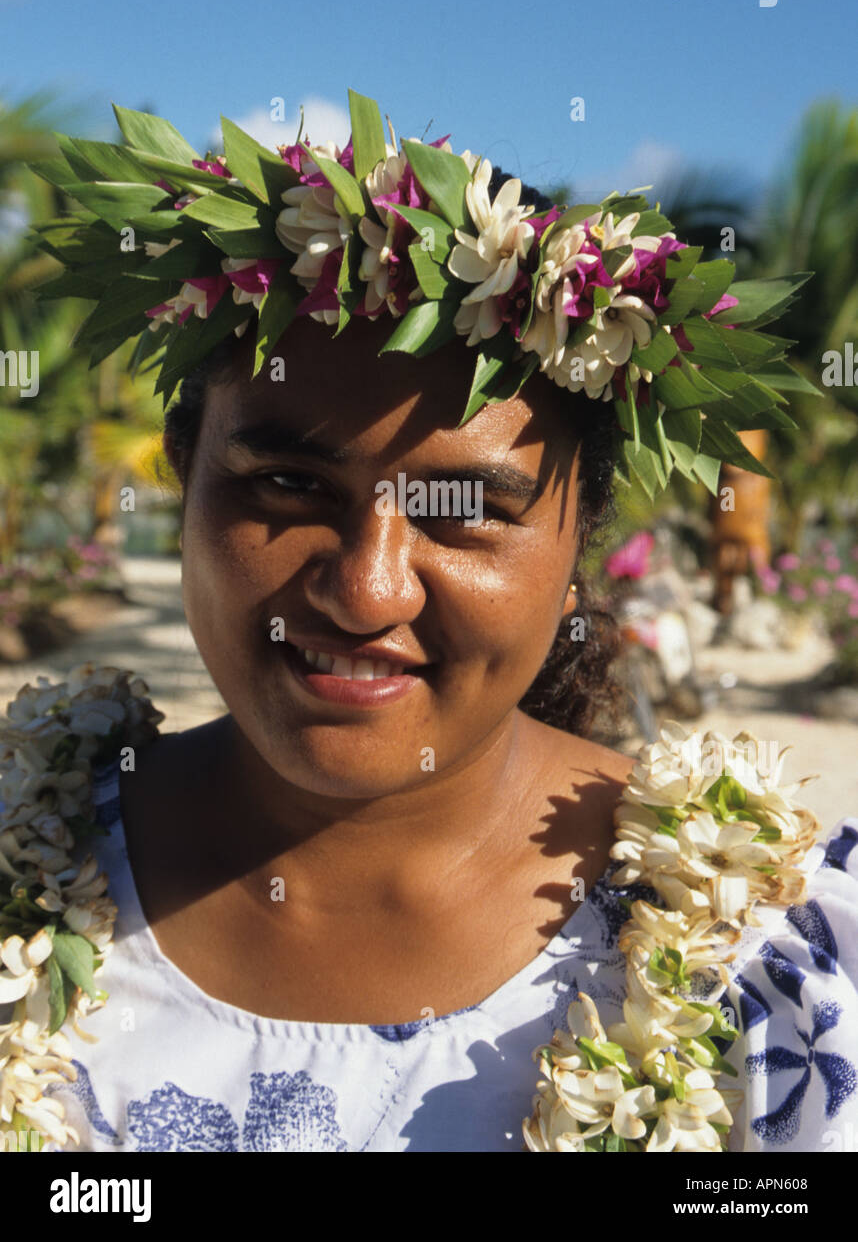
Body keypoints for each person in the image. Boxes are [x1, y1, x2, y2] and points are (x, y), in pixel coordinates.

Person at [2, 95, 856, 1153]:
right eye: (284, 483)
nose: (368, 592)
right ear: (185, 485)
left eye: (466, 510)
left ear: (580, 548)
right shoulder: (21, 879)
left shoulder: (780, 959)